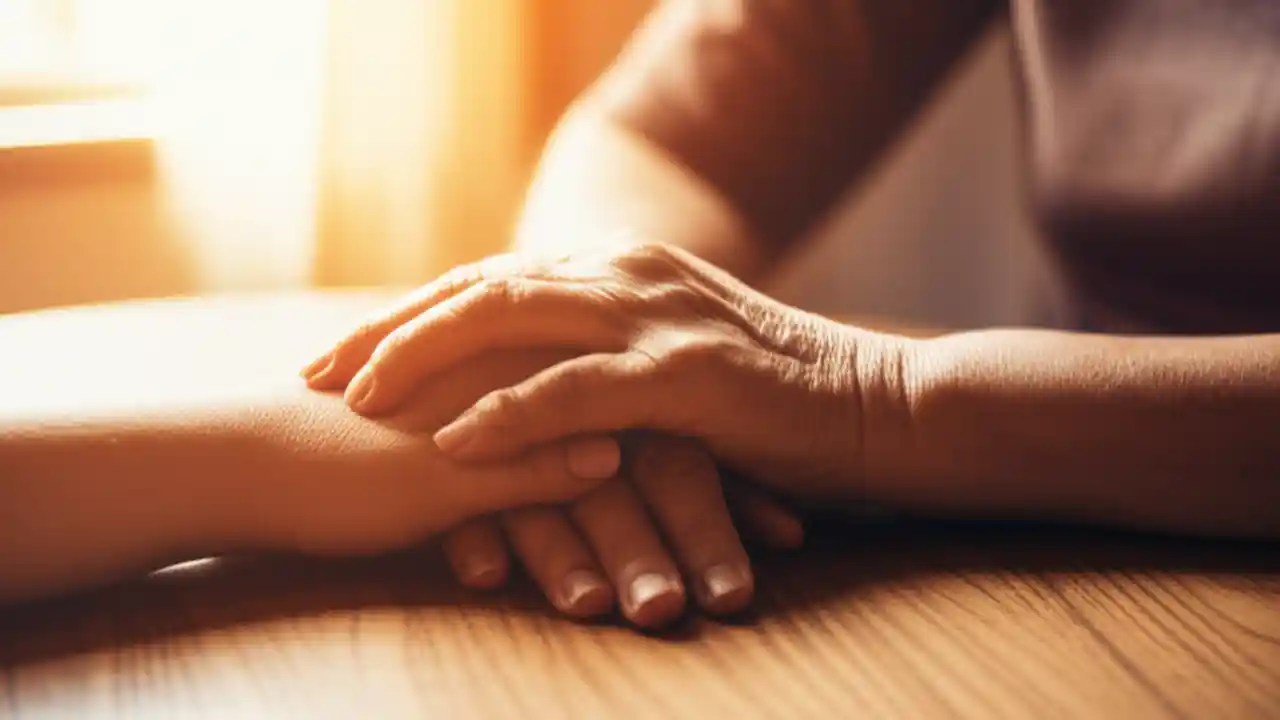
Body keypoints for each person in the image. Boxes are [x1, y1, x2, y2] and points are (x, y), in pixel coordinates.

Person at [301, 0, 1280, 627]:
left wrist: (876, 402)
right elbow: (659, 142)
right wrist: (604, 374)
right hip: (1070, 550)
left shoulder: (894, 414)